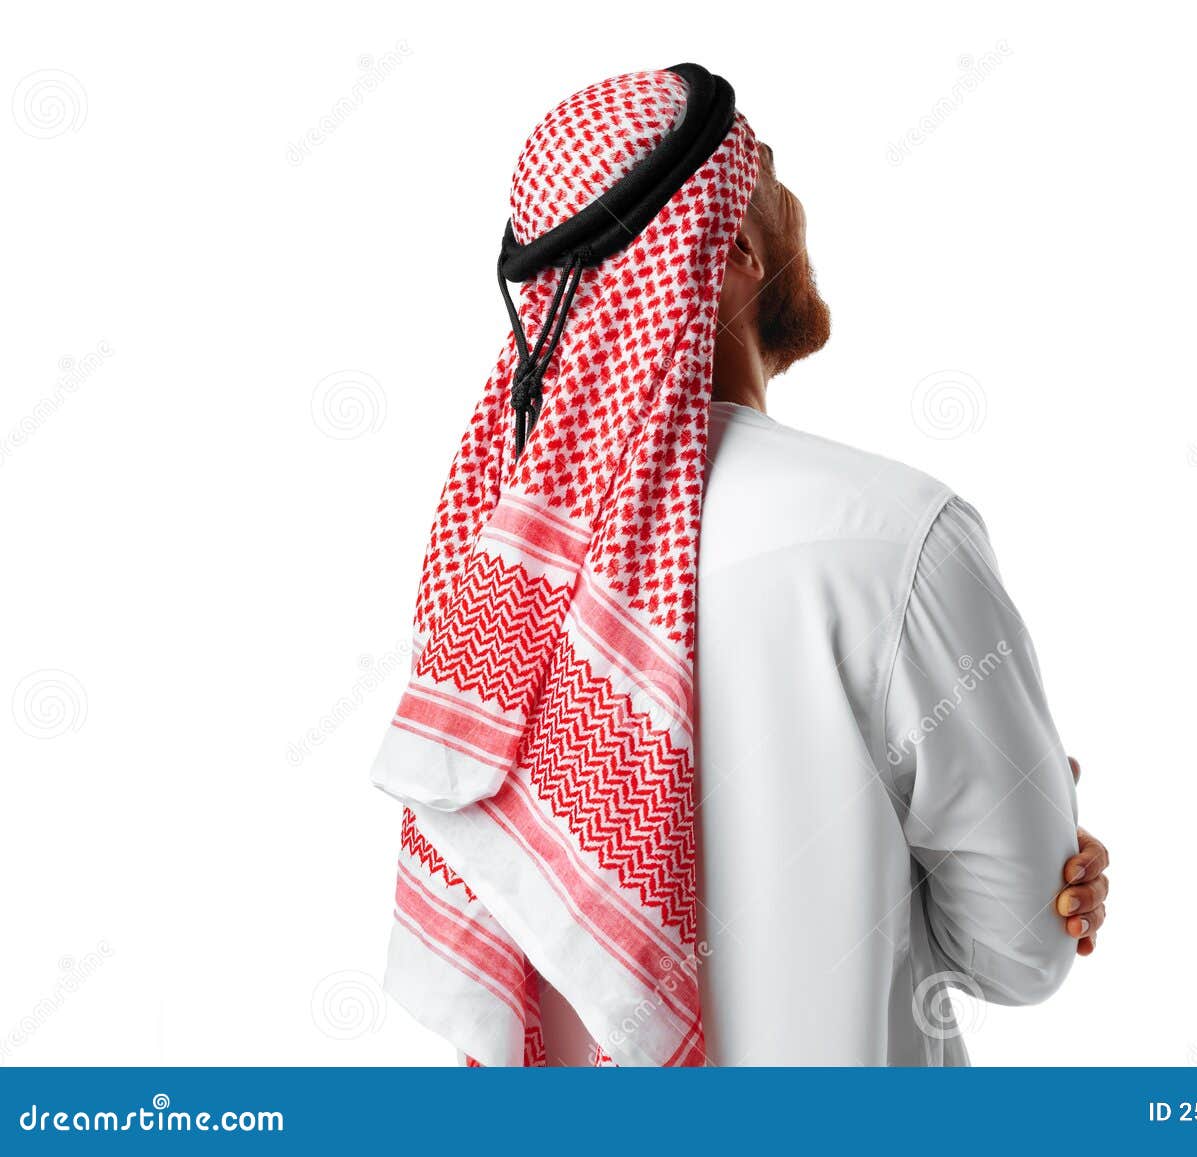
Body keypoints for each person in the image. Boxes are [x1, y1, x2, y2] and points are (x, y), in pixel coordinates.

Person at [372, 67, 1108, 1067]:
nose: (796, 201)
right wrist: (1010, 842)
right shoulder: (897, 533)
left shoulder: (500, 577)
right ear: (735, 249)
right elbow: (1020, 950)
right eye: (770, 177)